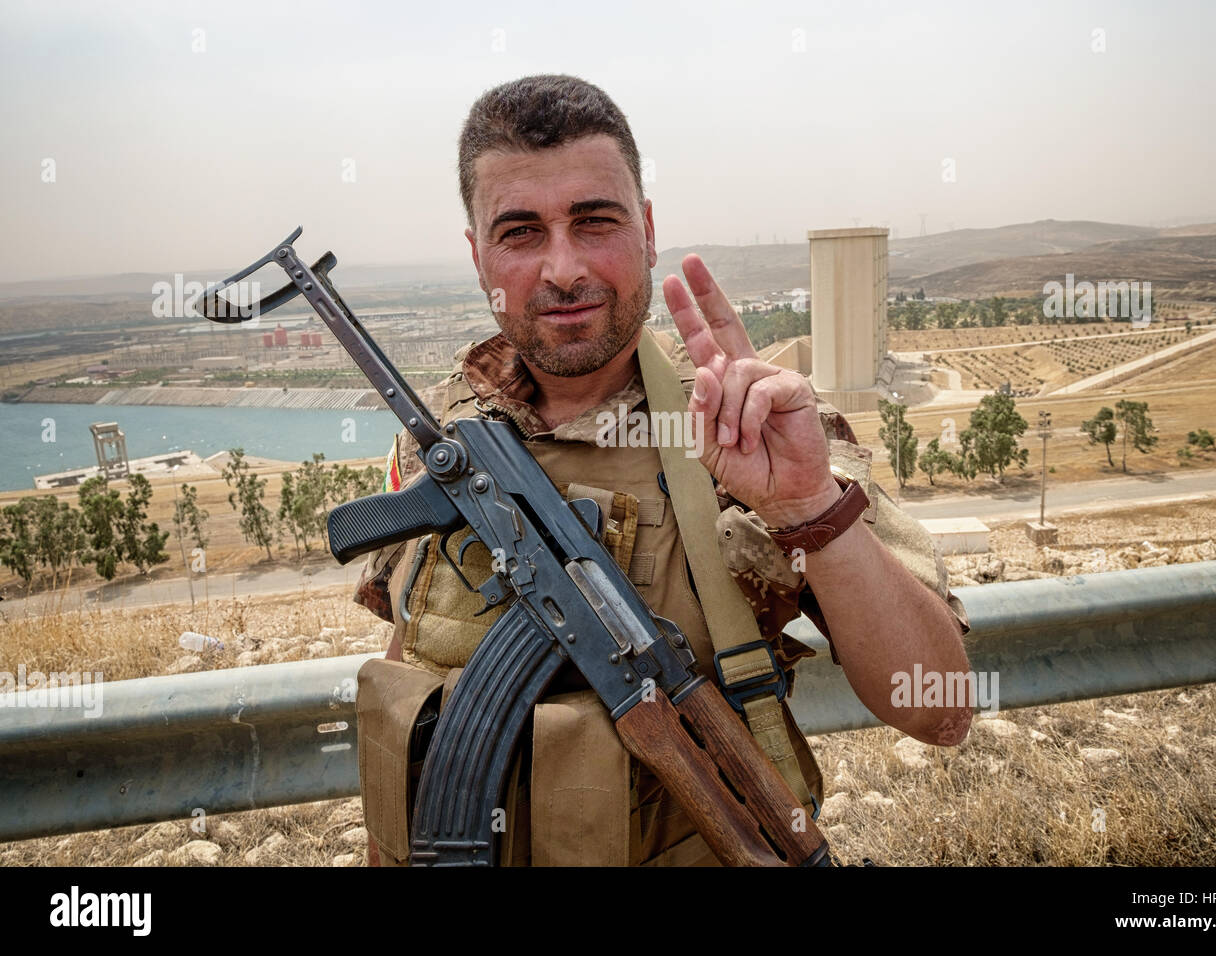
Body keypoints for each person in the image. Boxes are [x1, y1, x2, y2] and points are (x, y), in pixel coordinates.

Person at [354, 73, 973, 866]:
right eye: (521, 233)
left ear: (646, 230)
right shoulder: (439, 436)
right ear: (478, 257)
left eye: (594, 221)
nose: (563, 268)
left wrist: (810, 504)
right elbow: (418, 687)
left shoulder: (744, 430)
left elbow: (941, 711)